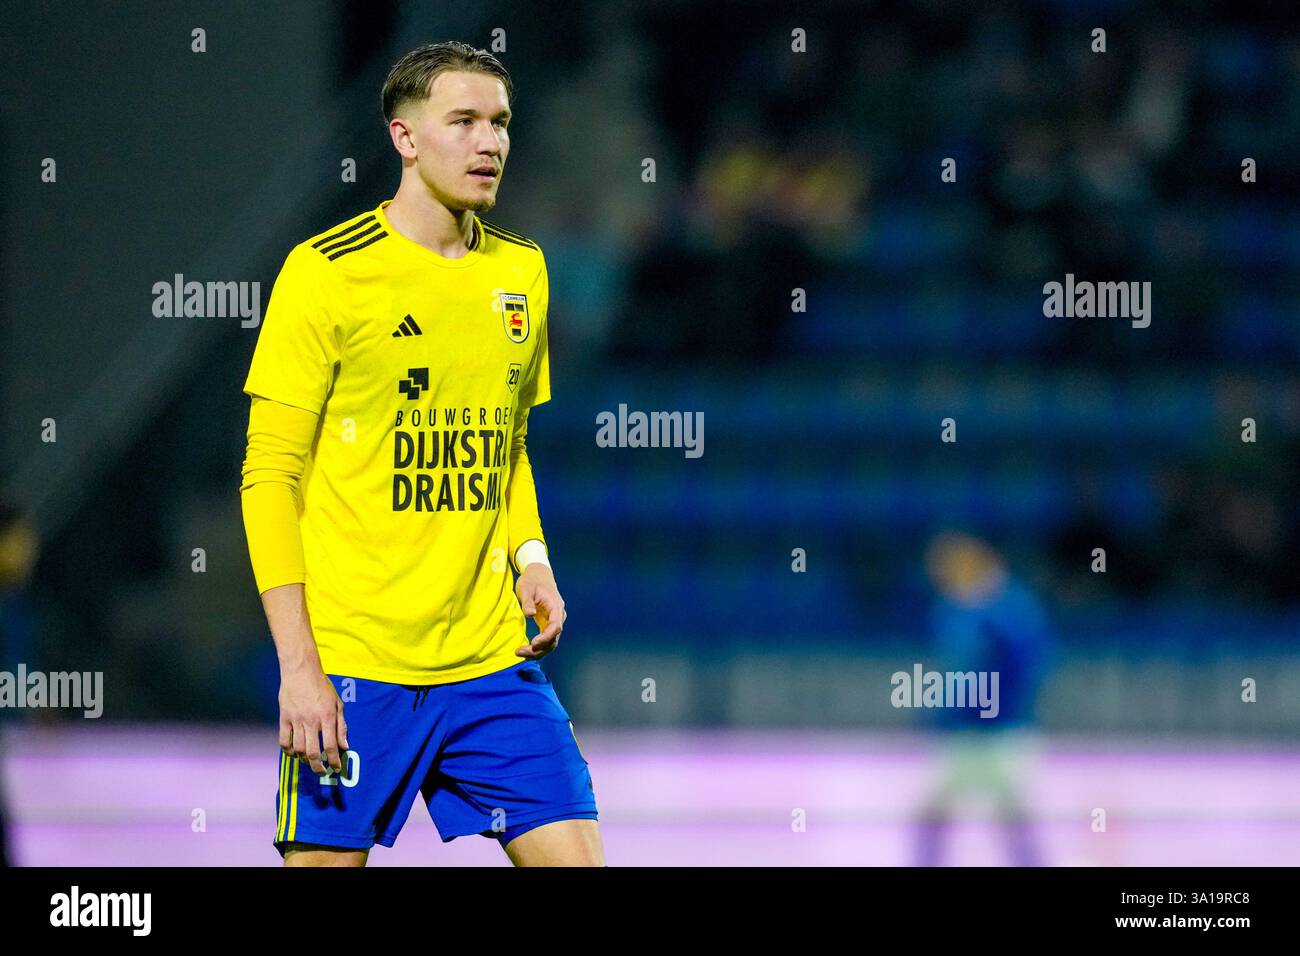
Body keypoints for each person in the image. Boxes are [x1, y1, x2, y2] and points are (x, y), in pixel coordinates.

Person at [239, 41, 601, 866]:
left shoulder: (524, 270)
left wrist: (532, 558)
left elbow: (505, 446)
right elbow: (269, 477)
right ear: (404, 137)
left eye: (501, 123)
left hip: (489, 663)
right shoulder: (325, 275)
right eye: (464, 121)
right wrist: (300, 666)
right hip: (357, 668)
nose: (490, 143)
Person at [914, 531, 1055, 867]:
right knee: (939, 812)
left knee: (1011, 813)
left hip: (1002, 731)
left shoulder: (1011, 610)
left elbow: (1030, 664)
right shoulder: (951, 610)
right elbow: (955, 671)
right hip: (965, 733)